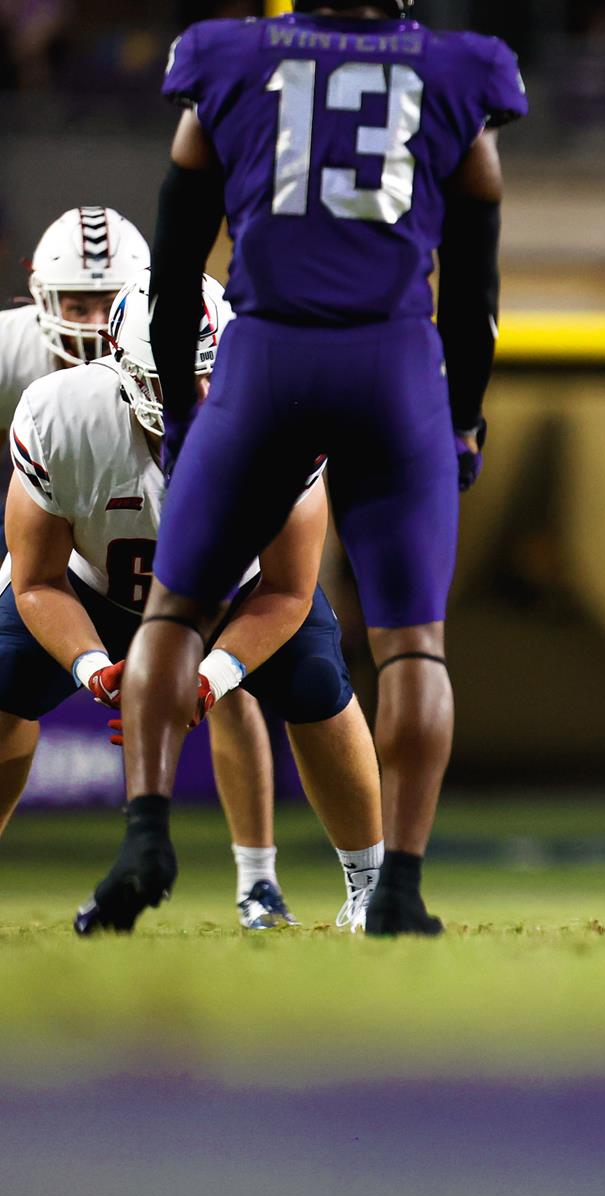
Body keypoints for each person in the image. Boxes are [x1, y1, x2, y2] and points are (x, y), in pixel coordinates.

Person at [81, 1, 526, 936]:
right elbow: (477, 285)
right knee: (412, 644)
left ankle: (145, 836)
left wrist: (181, 400)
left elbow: (173, 261)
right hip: (392, 363)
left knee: (174, 608)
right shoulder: (457, 70)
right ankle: (397, 884)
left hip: (268, 356)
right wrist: (463, 418)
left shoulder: (228, 56)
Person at [7, 275, 385, 934]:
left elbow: (289, 587)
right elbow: (38, 580)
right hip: (93, 588)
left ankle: (371, 890)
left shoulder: (287, 413)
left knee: (319, 682)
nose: (197, 396)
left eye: (211, 374)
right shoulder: (60, 416)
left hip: (233, 593)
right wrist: (93, 667)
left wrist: (210, 681)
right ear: (116, 366)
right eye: (172, 381)